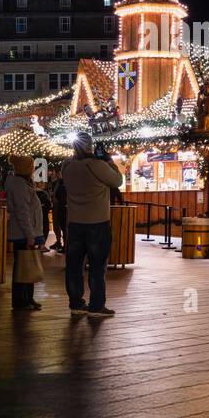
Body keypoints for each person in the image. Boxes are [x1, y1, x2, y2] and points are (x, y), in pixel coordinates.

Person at [61, 132, 124, 317]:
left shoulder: (67, 166)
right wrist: (109, 160)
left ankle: (76, 303)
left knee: (74, 266)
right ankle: (96, 305)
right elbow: (117, 180)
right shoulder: (98, 165)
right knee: (97, 266)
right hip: (97, 223)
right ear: (90, 146)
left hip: (74, 223)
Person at [5, 155, 45, 310]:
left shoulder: (23, 183)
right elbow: (23, 212)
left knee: (27, 266)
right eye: (31, 165)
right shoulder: (19, 185)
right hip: (24, 234)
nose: (33, 168)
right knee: (23, 267)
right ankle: (21, 301)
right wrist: (30, 235)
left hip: (29, 232)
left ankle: (28, 298)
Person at [50, 169, 68, 254]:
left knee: (64, 227)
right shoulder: (56, 182)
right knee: (56, 225)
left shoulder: (66, 183)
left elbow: (63, 195)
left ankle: (65, 245)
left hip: (63, 207)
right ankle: (58, 242)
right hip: (56, 206)